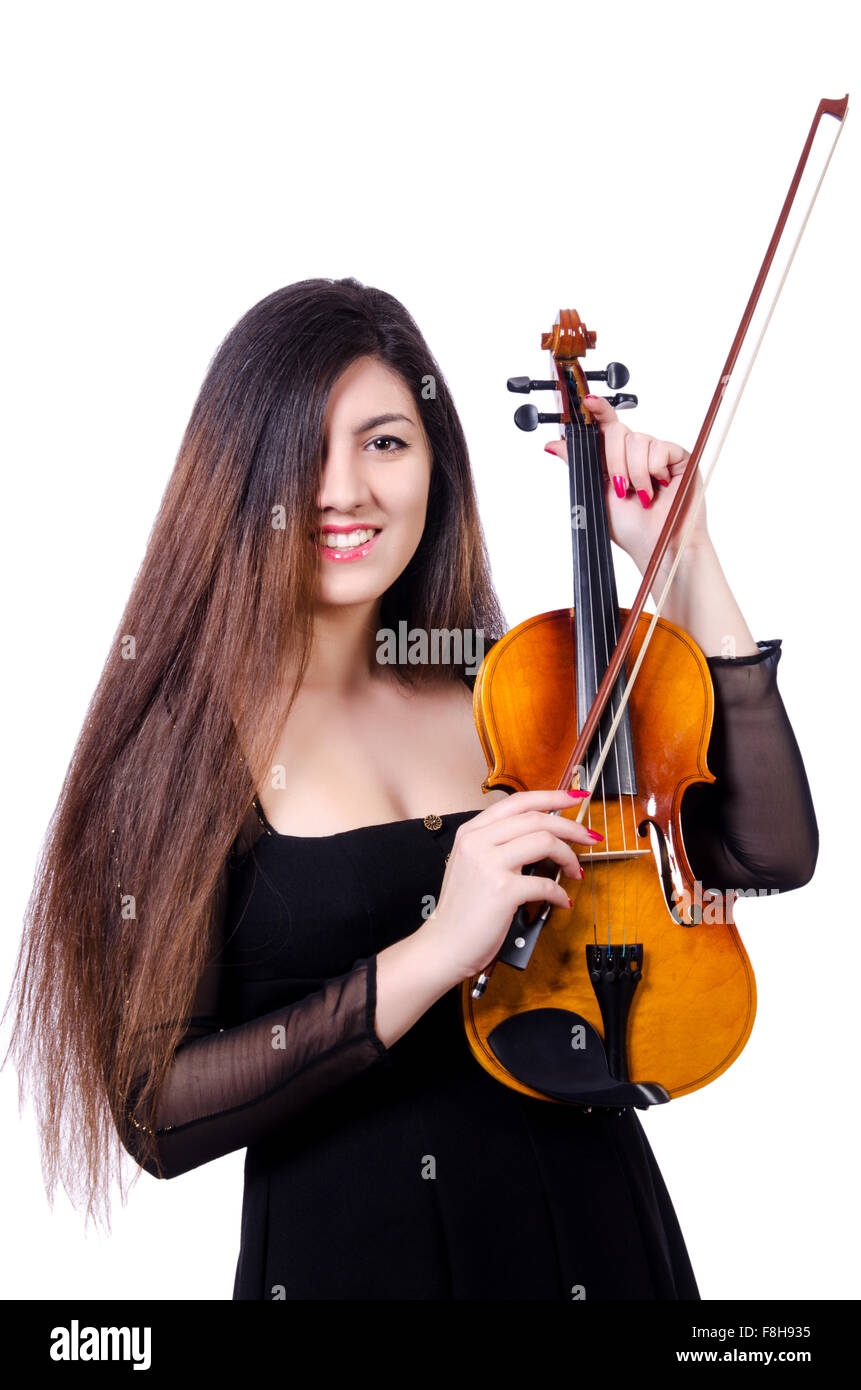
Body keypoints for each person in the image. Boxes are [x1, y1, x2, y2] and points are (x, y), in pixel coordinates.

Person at [3, 277, 818, 1301]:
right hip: (353, 1267)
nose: (344, 489)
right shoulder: (182, 748)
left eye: (386, 442)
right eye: (306, 446)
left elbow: (767, 853)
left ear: (437, 464)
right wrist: (437, 948)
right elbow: (154, 1112)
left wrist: (685, 556)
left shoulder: (509, 689)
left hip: (602, 1243)